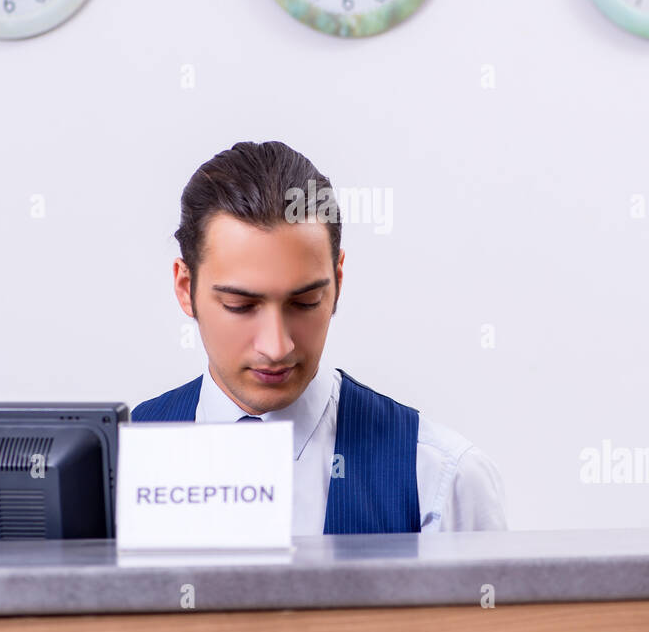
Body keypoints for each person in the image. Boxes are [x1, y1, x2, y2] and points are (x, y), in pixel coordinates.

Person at [131, 140, 506, 535]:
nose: (277, 348)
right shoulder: (120, 465)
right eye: (241, 305)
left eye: (306, 302)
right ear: (184, 286)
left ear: (338, 282)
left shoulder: (440, 479)